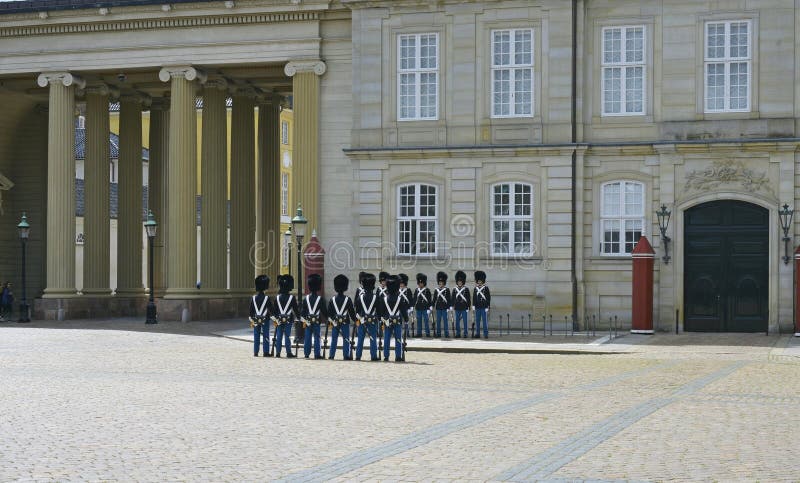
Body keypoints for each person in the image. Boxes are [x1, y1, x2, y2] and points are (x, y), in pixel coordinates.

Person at [327, 274, 356, 360]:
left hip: (335, 323)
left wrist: (331, 322)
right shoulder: (348, 299)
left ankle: (331, 355)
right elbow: (351, 313)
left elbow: (329, 313)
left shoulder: (332, 299)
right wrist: (356, 320)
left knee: (334, 339)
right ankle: (346, 355)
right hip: (345, 322)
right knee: (346, 339)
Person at [381, 275, 408, 362]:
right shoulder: (400, 299)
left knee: (386, 339)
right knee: (398, 339)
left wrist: (383, 320)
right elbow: (403, 311)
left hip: (387, 321)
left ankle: (386, 356)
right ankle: (398, 356)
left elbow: (382, 311)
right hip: (397, 321)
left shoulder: (384, 299)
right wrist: (406, 319)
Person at [355, 273, 380, 361]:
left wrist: (359, 319)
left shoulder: (359, 298)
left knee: (360, 339)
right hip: (372, 321)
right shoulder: (376, 297)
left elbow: (357, 311)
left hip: (362, 321)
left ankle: (358, 356)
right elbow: (379, 311)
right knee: (373, 339)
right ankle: (373, 356)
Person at [272, 274, 298, 358]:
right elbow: (295, 310)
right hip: (289, 319)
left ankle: (278, 352)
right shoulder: (292, 298)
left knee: (279, 335)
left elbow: (274, 310)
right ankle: (288, 352)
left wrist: (276, 318)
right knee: (287, 336)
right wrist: (299, 317)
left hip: (279, 319)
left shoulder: (277, 298)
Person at [301, 273, 326, 359]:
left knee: (307, 338)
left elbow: (303, 312)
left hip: (308, 321)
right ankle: (317, 354)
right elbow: (324, 311)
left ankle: (306, 353)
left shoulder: (306, 299)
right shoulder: (320, 299)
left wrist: (304, 321)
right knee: (317, 338)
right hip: (316, 321)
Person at [249, 275, 272, 357]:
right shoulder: (267, 298)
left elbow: (251, 310)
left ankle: (256, 352)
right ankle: (266, 352)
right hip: (265, 319)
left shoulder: (253, 298)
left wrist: (251, 319)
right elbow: (271, 309)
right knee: (266, 335)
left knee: (256, 335)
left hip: (255, 318)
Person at [452, 270, 471, 338]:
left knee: (465, 321)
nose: (459, 282)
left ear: (463, 282)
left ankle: (465, 333)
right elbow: (453, 298)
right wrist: (452, 306)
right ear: (457, 282)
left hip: (464, 307)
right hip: (457, 307)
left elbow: (468, 298)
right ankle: (458, 333)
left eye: (461, 281)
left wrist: (468, 307)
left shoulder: (466, 289)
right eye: (458, 281)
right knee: (457, 321)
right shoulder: (454, 289)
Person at [412, 273, 432, 337]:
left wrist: (429, 307)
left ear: (424, 283)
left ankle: (427, 333)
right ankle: (419, 333)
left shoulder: (427, 290)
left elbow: (429, 299)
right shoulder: (416, 290)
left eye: (422, 283)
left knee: (426, 321)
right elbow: (415, 299)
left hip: (425, 308)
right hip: (418, 308)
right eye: (419, 283)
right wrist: (412, 306)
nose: (420, 284)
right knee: (419, 321)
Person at [433, 271, 452, 338]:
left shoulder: (447, 290)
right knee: (438, 321)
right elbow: (434, 299)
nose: (440, 284)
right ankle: (438, 333)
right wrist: (431, 306)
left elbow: (449, 299)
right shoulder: (436, 290)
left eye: (442, 283)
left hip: (445, 308)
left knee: (445, 321)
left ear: (444, 283)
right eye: (440, 283)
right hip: (438, 307)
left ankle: (446, 333)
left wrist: (449, 307)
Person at [473, 270, 491, 339]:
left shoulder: (486, 288)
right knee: (477, 321)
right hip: (477, 307)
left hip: (484, 307)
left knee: (484, 321)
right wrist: (473, 306)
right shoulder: (476, 288)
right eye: (478, 281)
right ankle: (477, 333)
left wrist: (487, 306)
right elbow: (474, 297)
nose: (479, 282)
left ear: (482, 281)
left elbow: (488, 298)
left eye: (480, 281)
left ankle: (485, 334)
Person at [397, 273, 411, 338]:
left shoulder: (408, 290)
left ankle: (407, 332)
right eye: (400, 283)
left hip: (406, 308)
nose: (401, 284)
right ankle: (399, 332)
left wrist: (411, 307)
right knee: (399, 322)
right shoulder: (397, 290)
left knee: (406, 321)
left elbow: (410, 299)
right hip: (399, 309)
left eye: (402, 283)